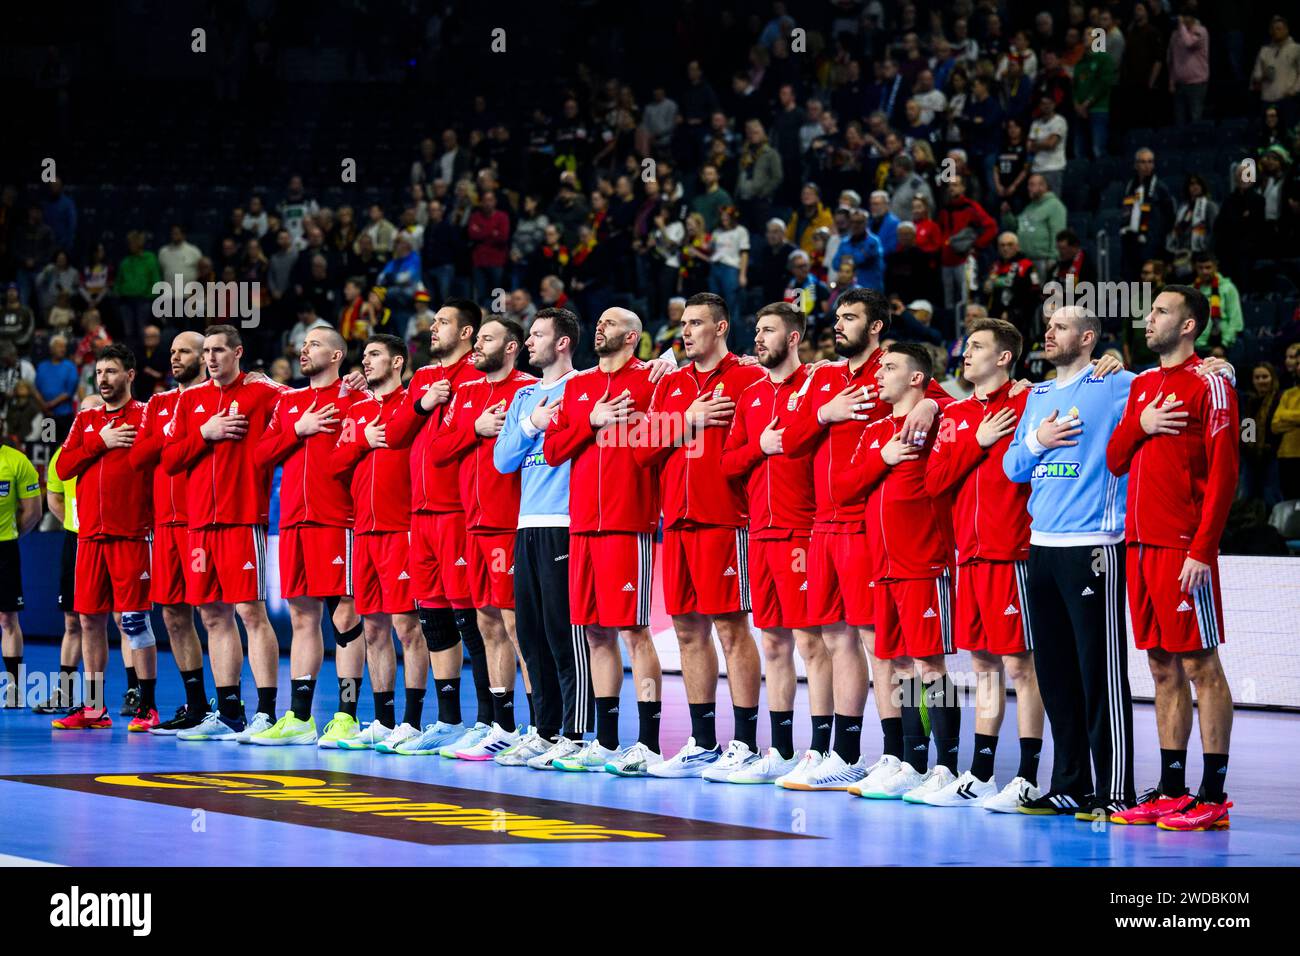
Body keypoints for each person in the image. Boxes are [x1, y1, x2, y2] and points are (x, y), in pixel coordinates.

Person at [777, 287, 949, 792]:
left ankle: (903, 757)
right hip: (821, 525)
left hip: (867, 528)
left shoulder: (893, 370)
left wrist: (933, 407)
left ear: (875, 327)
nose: (838, 325)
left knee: (882, 647)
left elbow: (937, 398)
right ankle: (847, 753)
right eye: (837, 317)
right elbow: (790, 433)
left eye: (850, 318)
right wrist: (824, 413)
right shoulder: (824, 377)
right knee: (834, 638)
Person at [1107, 286, 1239, 831]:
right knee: (1161, 667)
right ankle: (1172, 787)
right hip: (1137, 546)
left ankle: (1213, 795)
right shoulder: (1140, 385)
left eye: (1160, 311)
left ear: (1188, 326)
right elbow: (1115, 459)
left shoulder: (1212, 380)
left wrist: (1202, 549)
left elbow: (1226, 471)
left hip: (1183, 549)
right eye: (1149, 309)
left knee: (1200, 665)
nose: (1148, 318)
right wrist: (1139, 426)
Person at [1003, 306, 1138, 819]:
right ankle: (1070, 785)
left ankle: (1115, 789)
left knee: (1099, 671)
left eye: (1059, 326)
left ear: (1087, 337)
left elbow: (1176, 381)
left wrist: (1221, 367)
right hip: (1041, 547)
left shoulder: (1116, 382)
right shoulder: (1037, 396)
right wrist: (1039, 440)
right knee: (1055, 672)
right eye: (1047, 325)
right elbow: (1014, 466)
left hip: (1094, 545)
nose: (1048, 332)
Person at [633, 293, 766, 778]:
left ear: (722, 327)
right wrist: (684, 421)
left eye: (696, 324)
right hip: (679, 523)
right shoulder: (669, 383)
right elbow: (640, 450)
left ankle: (747, 742)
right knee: (689, 632)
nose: (685, 332)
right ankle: (704, 740)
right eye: (683, 324)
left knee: (732, 630)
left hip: (726, 521)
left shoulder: (749, 376)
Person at [921, 319, 1045, 810]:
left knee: (1022, 664)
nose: (964, 353)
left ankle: (1031, 776)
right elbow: (933, 482)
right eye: (965, 345)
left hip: (1013, 551)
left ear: (1004, 357)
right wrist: (978, 442)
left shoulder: (1032, 399)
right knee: (982, 663)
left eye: (976, 346)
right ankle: (983, 772)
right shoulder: (955, 413)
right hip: (968, 554)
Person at [828, 343, 959, 800]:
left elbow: (958, 405)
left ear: (918, 377)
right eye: (879, 367)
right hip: (882, 566)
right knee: (901, 666)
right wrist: (882, 458)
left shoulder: (939, 416)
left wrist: (931, 403)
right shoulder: (875, 431)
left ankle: (948, 768)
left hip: (925, 562)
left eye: (889, 367)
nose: (878, 375)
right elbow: (843, 488)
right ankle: (911, 762)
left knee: (931, 666)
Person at [543, 308, 667, 773]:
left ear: (632, 336)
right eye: (599, 321)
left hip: (627, 522)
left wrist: (667, 366)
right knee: (594, 633)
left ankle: (650, 743)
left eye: (611, 323)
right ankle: (609, 740)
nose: (600, 326)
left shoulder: (652, 380)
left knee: (634, 631)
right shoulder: (577, 387)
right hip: (582, 526)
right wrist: (591, 421)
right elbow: (554, 450)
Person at [719, 302, 831, 782]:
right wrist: (757, 448)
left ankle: (825, 752)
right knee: (773, 643)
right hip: (759, 532)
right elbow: (728, 464)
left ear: (793, 337)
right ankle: (781, 751)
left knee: (811, 640)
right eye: (756, 329)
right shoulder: (750, 397)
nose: (758, 338)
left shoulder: (817, 384)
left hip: (802, 531)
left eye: (768, 331)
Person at [163, 325, 285, 742]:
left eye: (219, 350)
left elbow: (309, 396)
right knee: (212, 615)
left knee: (250, 612)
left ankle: (266, 712)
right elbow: (171, 459)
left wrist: (268, 379)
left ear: (238, 353)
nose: (210, 358)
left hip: (242, 517)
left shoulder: (260, 393)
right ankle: (230, 712)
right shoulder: (191, 401)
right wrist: (204, 433)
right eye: (207, 351)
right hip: (199, 524)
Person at [385, 299, 495, 757]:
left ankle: (490, 719)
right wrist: (422, 404)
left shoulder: (481, 375)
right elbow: (394, 435)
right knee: (433, 619)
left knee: (472, 620)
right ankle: (450, 721)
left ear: (468, 332)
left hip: (459, 513)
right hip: (420, 516)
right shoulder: (425, 379)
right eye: (433, 322)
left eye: (443, 322)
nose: (433, 328)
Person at [250, 326, 367, 745]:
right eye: (302, 344)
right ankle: (300, 718)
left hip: (338, 520)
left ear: (337, 356)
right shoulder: (290, 403)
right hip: (294, 523)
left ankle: (347, 715)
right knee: (302, 618)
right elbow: (260, 455)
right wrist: (299, 428)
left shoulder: (356, 398)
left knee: (346, 617)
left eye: (314, 344)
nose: (304, 350)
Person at [427, 318, 536, 759]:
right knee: (487, 622)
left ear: (511, 348)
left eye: (487, 338)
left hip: (510, 523)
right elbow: (437, 451)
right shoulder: (467, 392)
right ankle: (503, 724)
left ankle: (542, 727)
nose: (477, 344)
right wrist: (474, 430)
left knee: (516, 627)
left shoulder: (528, 388)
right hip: (472, 523)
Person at [490, 308, 594, 767]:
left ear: (563, 342)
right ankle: (545, 729)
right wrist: (533, 424)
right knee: (529, 634)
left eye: (537, 334)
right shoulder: (524, 398)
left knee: (563, 632)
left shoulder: (584, 385)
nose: (529, 341)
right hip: (526, 524)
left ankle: (576, 732)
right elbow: (502, 460)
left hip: (565, 521)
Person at [50, 344, 158, 731]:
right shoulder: (87, 419)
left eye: (111, 372)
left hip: (131, 534)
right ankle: (94, 708)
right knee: (88, 621)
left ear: (129, 375)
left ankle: (147, 707)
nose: (103, 380)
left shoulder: (147, 415)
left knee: (134, 622)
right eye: (99, 373)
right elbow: (63, 467)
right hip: (89, 537)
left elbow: (151, 461)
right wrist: (102, 441)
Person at [330, 335, 426, 753]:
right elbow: (334, 464)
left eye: (373, 355)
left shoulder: (413, 403)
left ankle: (414, 721)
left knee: (407, 626)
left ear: (397, 361)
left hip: (401, 528)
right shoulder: (357, 409)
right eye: (363, 355)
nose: (365, 361)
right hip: (364, 531)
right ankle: (385, 721)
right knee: (372, 627)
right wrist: (360, 440)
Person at [123, 333, 214, 734]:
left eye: (185, 352)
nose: (175, 358)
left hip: (204, 521)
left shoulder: (215, 396)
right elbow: (137, 458)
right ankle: (195, 704)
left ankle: (229, 702)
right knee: (174, 616)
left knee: (215, 613)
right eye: (173, 352)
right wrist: (173, 437)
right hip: (165, 525)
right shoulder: (158, 404)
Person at [0, 439, 42, 708]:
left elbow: (33, 511)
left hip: (4, 548)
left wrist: (11, 536)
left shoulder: (17, 461)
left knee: (7, 618)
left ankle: (13, 688)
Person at [36, 336, 81, 442]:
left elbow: (69, 392)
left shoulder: (70, 366)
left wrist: (51, 404)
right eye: (59, 346)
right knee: (48, 444)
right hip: (47, 415)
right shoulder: (42, 366)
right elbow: (36, 389)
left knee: (64, 446)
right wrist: (44, 406)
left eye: (64, 347)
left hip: (64, 416)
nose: (63, 349)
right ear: (51, 349)